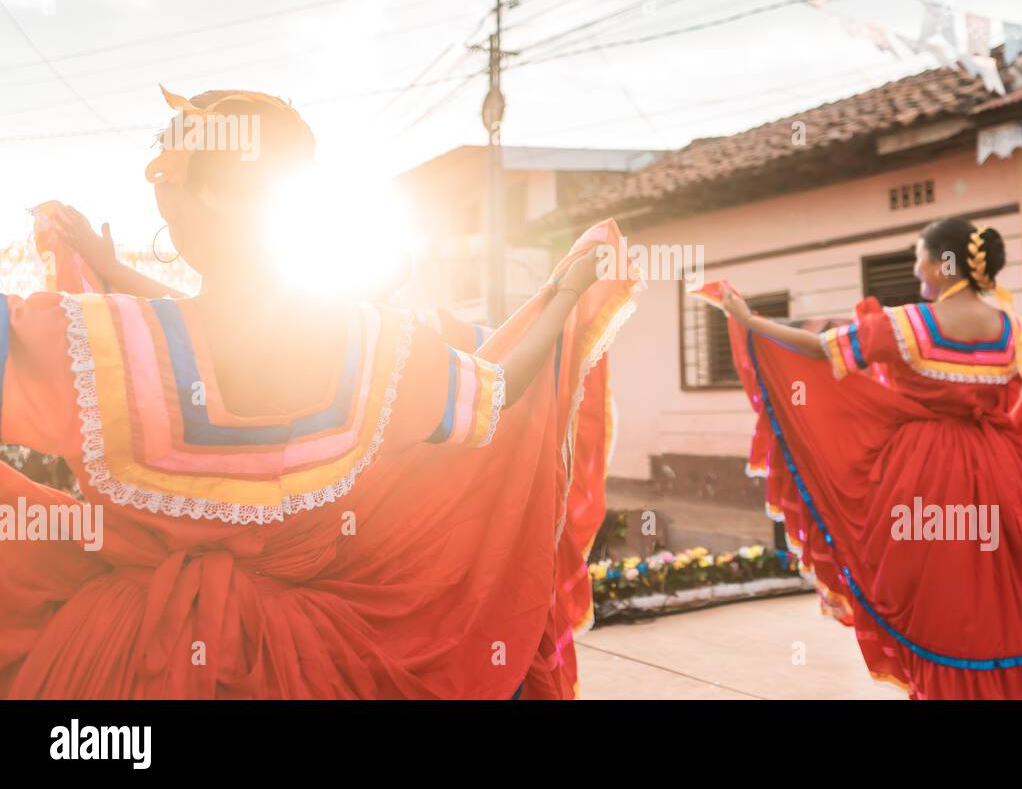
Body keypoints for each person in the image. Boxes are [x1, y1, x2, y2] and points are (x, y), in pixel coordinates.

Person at [0, 86, 640, 698]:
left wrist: (106, 273)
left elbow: (190, 326)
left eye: (166, 188)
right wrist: (562, 295)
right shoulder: (372, 349)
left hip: (123, 655)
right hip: (308, 658)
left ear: (196, 203)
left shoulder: (95, 342)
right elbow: (495, 394)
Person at [704, 217, 1022, 700]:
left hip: (923, 478)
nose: (917, 272)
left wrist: (751, 321)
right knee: (1006, 597)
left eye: (919, 259)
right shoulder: (1015, 331)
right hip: (1001, 473)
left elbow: (821, 350)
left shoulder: (906, 324)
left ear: (941, 264)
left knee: (941, 604)